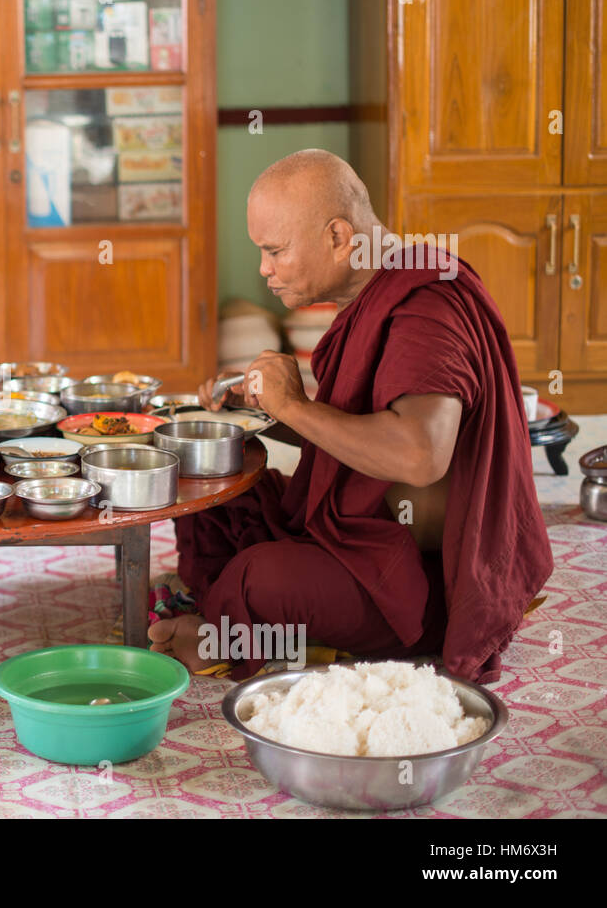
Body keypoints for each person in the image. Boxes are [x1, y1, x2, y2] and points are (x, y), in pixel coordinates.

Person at [148, 150, 552, 683]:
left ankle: (224, 629)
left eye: (275, 251)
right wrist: (266, 410)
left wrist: (293, 403)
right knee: (213, 491)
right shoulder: (376, 291)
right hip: (363, 541)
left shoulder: (428, 304)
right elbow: (351, 434)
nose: (263, 269)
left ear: (338, 237)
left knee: (257, 577)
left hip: (418, 581)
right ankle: (238, 615)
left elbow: (419, 455)